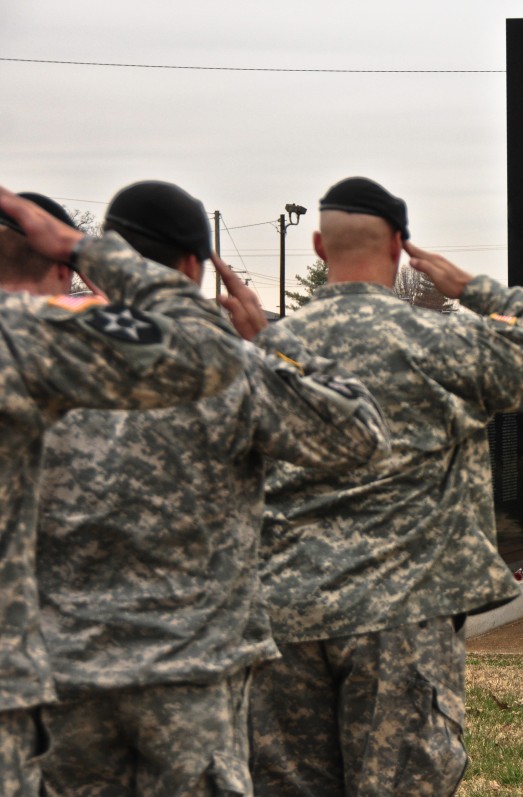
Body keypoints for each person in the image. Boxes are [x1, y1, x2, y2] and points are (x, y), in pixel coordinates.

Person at [31, 181, 391, 796]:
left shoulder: (40, 363)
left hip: (65, 680)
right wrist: (275, 341)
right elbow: (358, 434)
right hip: (193, 684)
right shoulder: (231, 369)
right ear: (197, 266)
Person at [252, 177, 523, 795]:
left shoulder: (268, 352)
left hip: (285, 615)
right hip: (404, 616)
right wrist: (472, 287)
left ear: (316, 246)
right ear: (398, 246)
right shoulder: (440, 340)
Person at [0, 187, 247, 796]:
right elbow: (205, 350)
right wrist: (90, 248)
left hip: (63, 666)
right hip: (179, 664)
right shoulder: (28, 340)